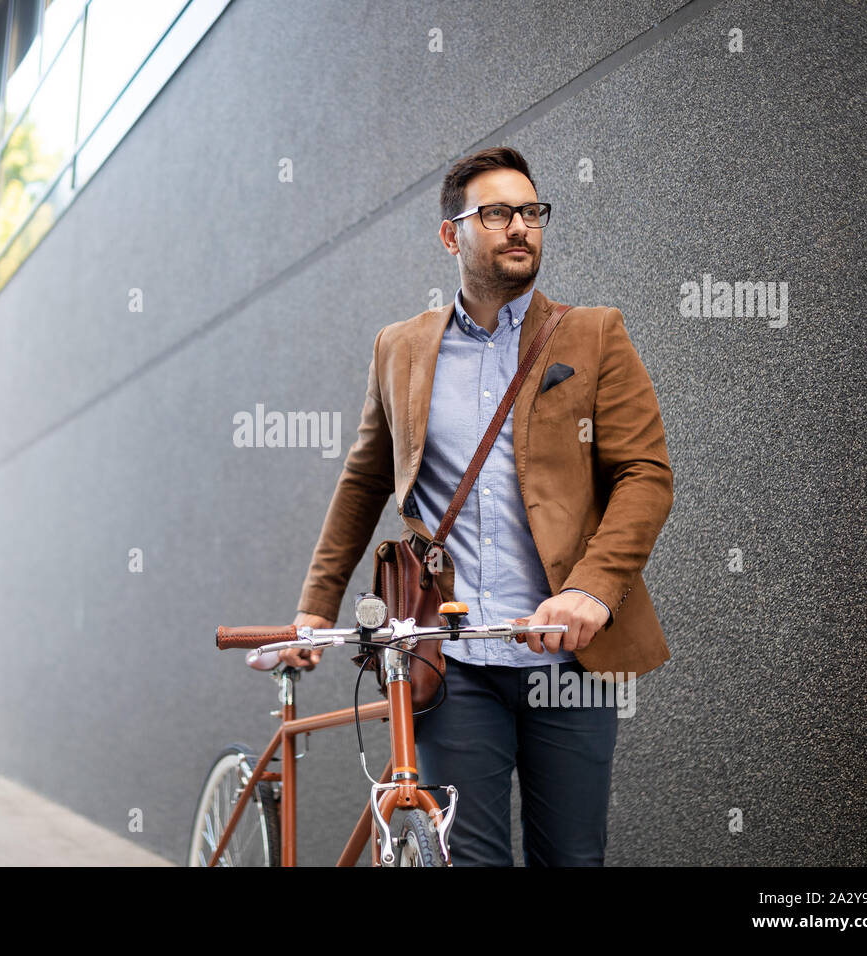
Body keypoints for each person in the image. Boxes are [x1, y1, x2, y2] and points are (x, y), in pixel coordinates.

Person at [282, 146, 674, 866]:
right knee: (470, 860)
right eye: (496, 213)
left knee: (573, 858)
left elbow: (645, 472)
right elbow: (364, 482)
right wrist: (316, 604)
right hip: (449, 658)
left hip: (569, 658)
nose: (519, 227)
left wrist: (593, 587)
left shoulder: (594, 334)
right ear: (450, 234)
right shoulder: (400, 347)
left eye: (531, 212)